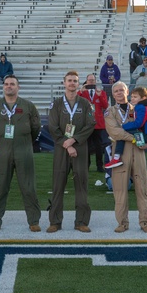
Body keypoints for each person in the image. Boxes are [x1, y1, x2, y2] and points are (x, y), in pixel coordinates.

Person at [0, 76, 41, 232]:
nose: (9, 86)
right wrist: (3, 141)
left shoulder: (29, 106)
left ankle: (33, 221)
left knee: (28, 187)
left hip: (24, 151)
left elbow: (36, 128)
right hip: (3, 151)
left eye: (12, 84)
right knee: (0, 187)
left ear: (18, 87)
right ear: (3, 87)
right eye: (6, 84)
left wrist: (23, 140)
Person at [47, 71, 96, 233]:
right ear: (64, 83)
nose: (72, 83)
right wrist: (67, 144)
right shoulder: (56, 104)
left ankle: (81, 221)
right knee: (58, 185)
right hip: (62, 149)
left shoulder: (85, 103)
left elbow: (90, 125)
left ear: (78, 83)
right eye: (69, 80)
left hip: (80, 148)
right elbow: (53, 127)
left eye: (75, 81)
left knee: (81, 184)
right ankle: (55, 221)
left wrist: (74, 140)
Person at [105, 82, 147, 233]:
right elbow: (114, 132)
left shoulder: (138, 108)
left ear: (127, 92)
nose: (119, 93)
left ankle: (145, 222)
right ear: (113, 94)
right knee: (120, 190)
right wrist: (133, 138)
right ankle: (122, 223)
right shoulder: (110, 111)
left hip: (138, 153)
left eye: (122, 90)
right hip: (120, 154)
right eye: (116, 91)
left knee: (143, 188)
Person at [79, 74, 110, 172]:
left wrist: (100, 96)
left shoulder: (101, 92)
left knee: (99, 146)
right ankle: (86, 165)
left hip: (98, 123)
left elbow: (105, 106)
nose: (91, 82)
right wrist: (80, 91)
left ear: (95, 81)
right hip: (86, 123)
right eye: (89, 80)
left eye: (93, 80)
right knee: (86, 145)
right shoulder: (82, 93)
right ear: (86, 81)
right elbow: (76, 102)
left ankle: (99, 166)